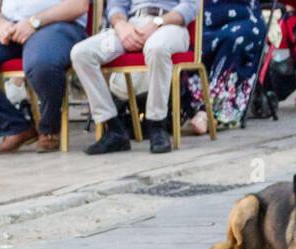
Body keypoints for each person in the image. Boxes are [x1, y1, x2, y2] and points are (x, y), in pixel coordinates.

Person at [0, 0, 91, 153]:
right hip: (11, 27)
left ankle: (49, 128)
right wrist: (0, 25)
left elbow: (78, 5)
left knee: (41, 64)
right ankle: (15, 127)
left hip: (56, 25)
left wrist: (33, 22)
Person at [70, 0, 197, 154]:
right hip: (130, 28)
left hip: (170, 27)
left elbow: (190, 7)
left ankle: (157, 125)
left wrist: (157, 23)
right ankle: (113, 128)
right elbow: (116, 6)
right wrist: (121, 26)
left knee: (156, 48)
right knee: (82, 53)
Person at [179, 0, 268, 132]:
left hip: (244, 16)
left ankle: (209, 112)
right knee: (191, 41)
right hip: (206, 18)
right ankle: (187, 107)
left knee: (233, 39)